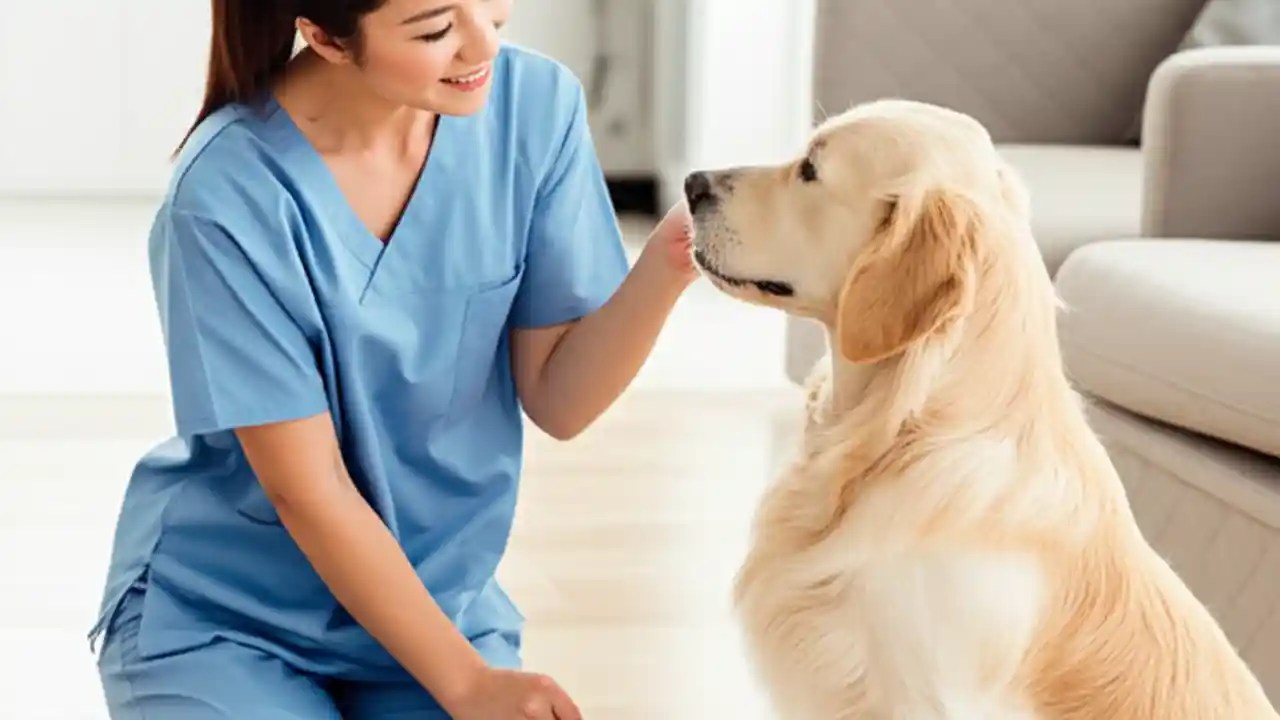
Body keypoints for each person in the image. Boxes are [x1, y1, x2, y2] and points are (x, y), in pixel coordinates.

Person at [87, 1, 696, 717]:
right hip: (231, 619)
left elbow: (559, 401)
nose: (481, 46)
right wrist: (467, 686)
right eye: (435, 29)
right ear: (323, 36)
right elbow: (307, 489)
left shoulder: (536, 109)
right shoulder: (226, 193)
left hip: (435, 607)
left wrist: (671, 260)